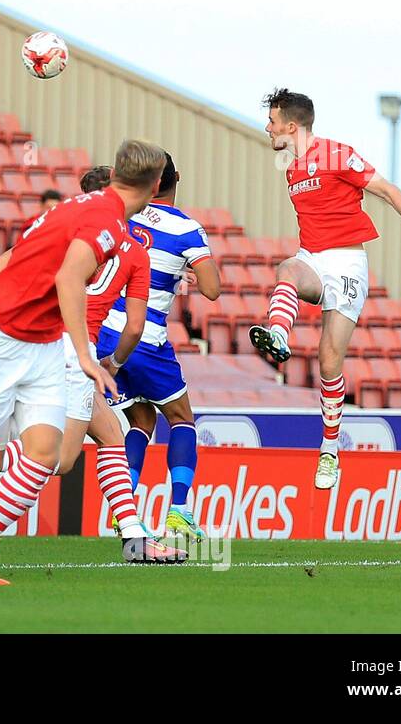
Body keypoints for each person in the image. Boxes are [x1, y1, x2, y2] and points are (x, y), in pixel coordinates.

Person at [0, 140, 167, 585]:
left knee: (44, 459)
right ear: (155, 186)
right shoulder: (107, 223)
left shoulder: (82, 205)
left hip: (40, 345)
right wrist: (83, 354)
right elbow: (68, 276)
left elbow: (16, 257)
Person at [248, 89, 401, 489]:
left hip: (347, 264)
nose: (267, 128)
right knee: (287, 268)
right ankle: (278, 335)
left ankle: (329, 451)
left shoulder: (338, 154)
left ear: (291, 125)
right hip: (312, 258)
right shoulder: (290, 167)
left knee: (328, 359)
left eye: (272, 121)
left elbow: (387, 190)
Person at [97, 152, 221, 539]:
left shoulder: (122, 213)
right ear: (176, 178)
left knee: (141, 420)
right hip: (145, 337)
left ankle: (124, 509)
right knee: (182, 418)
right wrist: (184, 267)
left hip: (104, 330)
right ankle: (180, 511)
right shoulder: (186, 228)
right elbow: (213, 290)